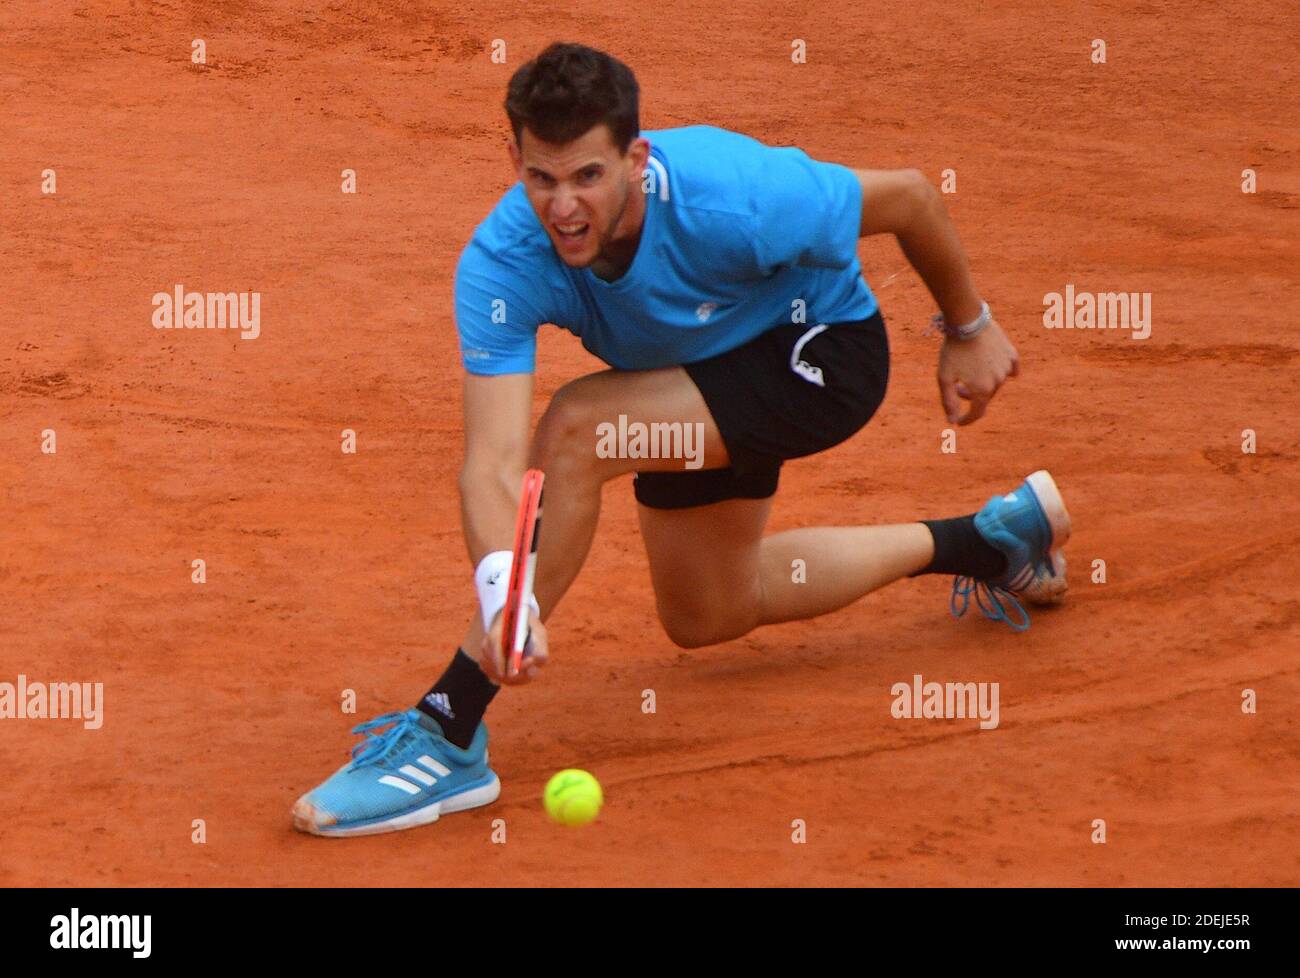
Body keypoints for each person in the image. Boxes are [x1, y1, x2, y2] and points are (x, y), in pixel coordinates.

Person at [292, 42, 1070, 837]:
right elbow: (487, 465)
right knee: (708, 612)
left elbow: (909, 198)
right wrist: (504, 591)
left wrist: (967, 326)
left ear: (635, 156)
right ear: (514, 161)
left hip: (820, 352)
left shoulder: (734, 195)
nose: (564, 208)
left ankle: (448, 729)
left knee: (578, 429)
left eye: (588, 176)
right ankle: (988, 542)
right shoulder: (502, 262)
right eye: (541, 178)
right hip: (689, 377)